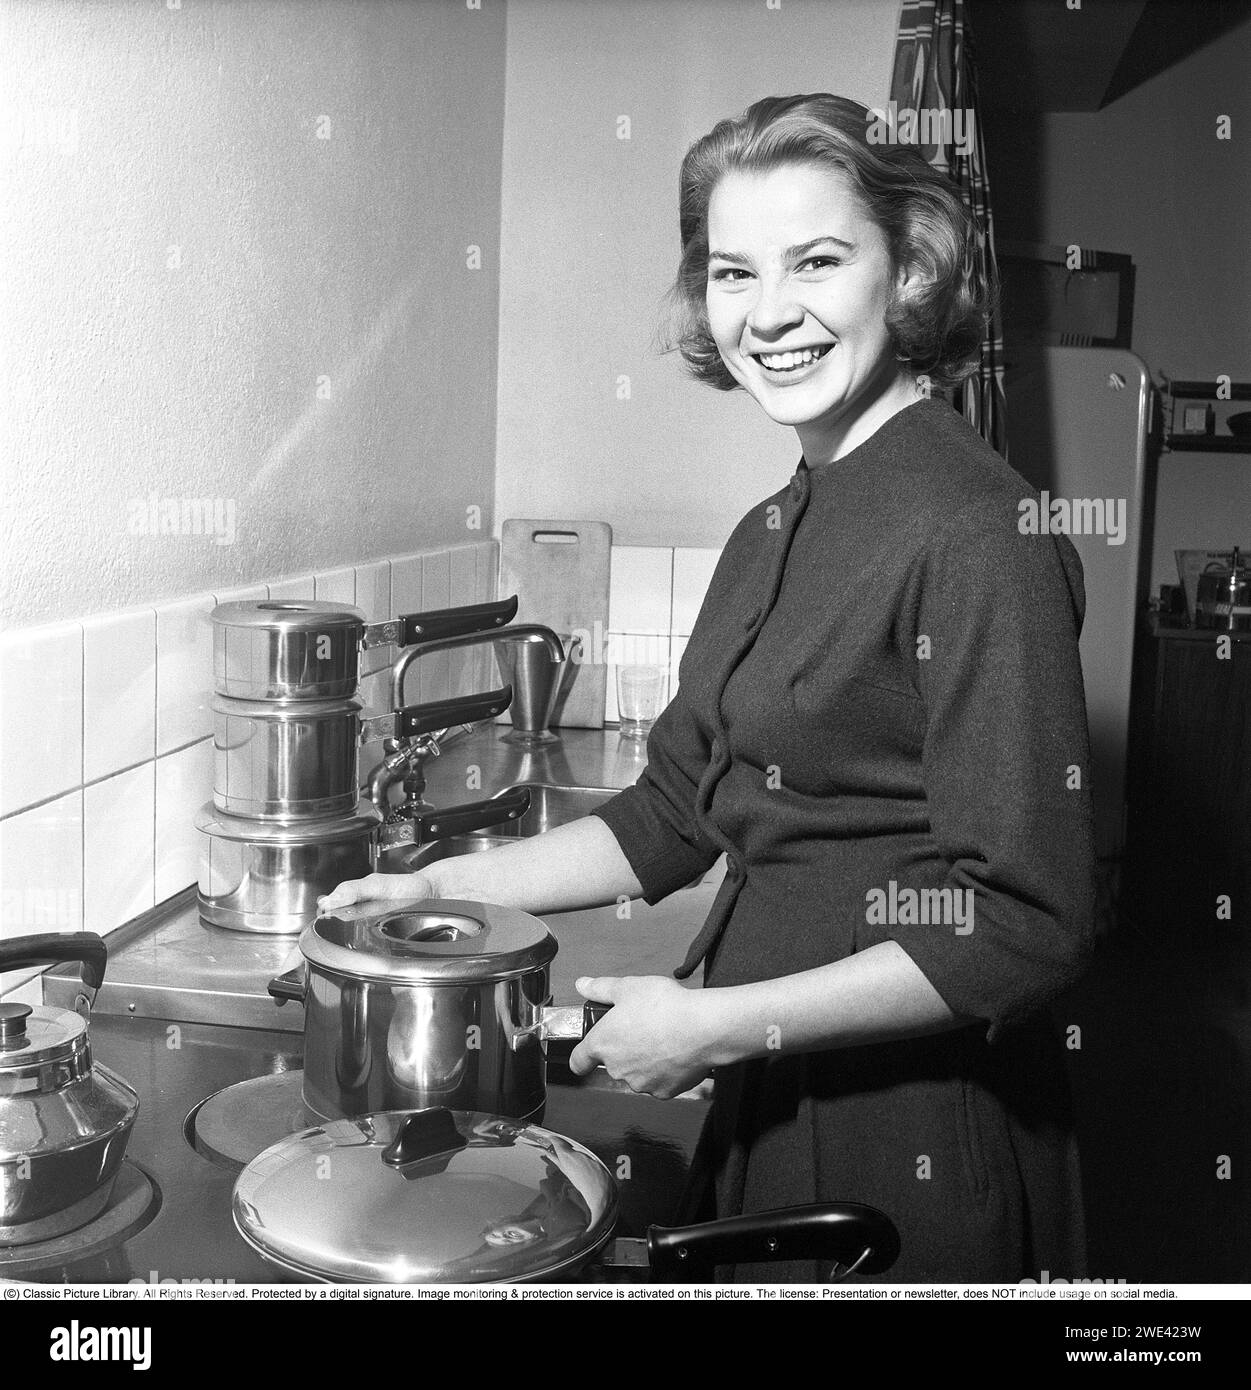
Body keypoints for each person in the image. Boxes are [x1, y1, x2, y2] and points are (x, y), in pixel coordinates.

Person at [320, 93, 1096, 1282]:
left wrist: (719, 1024)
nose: (771, 313)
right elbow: (673, 815)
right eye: (734, 272)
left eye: (820, 261)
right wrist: (434, 886)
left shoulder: (979, 529)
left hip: (914, 1131)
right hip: (772, 1091)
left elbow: (1026, 924)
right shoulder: (773, 524)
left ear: (911, 271)